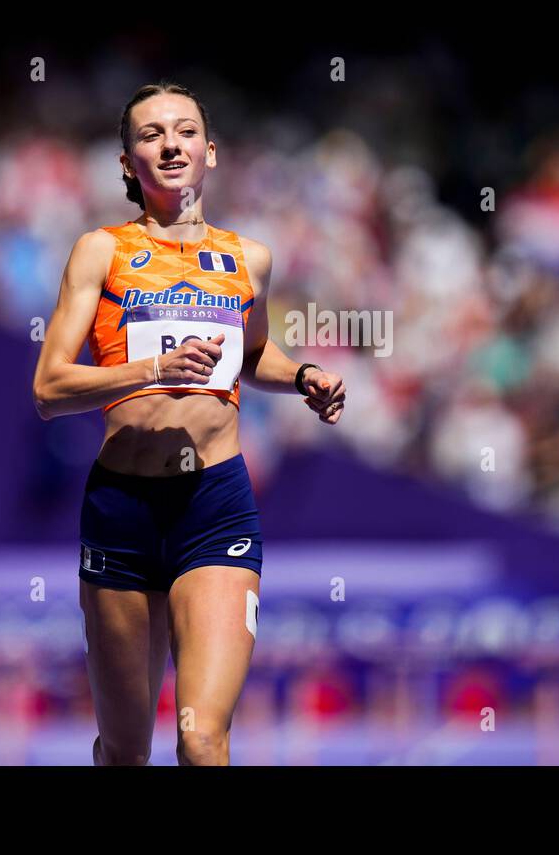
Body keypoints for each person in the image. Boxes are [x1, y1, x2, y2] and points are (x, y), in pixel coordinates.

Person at [32, 82, 346, 765]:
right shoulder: (99, 251)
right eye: (150, 134)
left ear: (211, 153)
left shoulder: (249, 260)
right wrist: (154, 369)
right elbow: (50, 390)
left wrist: (301, 378)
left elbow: (252, 352)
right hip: (122, 509)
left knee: (201, 738)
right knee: (124, 750)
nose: (170, 144)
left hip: (215, 507)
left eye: (185, 131)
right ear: (126, 162)